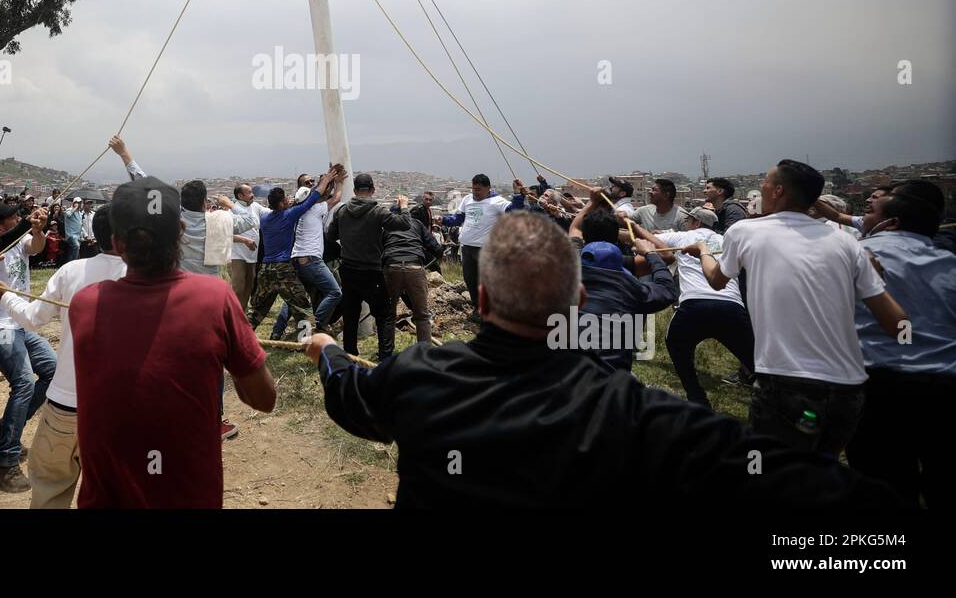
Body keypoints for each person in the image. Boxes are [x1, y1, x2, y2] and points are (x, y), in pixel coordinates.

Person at [302, 211, 898, 507]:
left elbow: (351, 399)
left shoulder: (417, 376)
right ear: (579, 296)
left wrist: (328, 351)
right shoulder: (640, 416)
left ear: (481, 298)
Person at [68, 176, 276, 508]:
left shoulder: (84, 304)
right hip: (190, 496)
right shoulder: (215, 298)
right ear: (179, 231)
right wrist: (234, 348)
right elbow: (263, 399)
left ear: (117, 244)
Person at [696, 159, 907, 456]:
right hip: (848, 390)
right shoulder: (847, 244)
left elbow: (717, 281)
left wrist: (703, 252)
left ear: (778, 191)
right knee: (822, 475)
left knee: (768, 474)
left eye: (765, 183)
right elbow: (899, 327)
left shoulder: (745, 231)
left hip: (786, 384)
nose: (761, 188)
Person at [0, 206, 126, 508]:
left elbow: (33, 319)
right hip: (116, 408)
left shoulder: (71, 271)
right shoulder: (145, 277)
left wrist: (5, 295)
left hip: (67, 403)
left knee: (50, 489)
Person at [845, 190, 956, 507]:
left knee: (884, 489)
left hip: (879, 387)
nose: (863, 218)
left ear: (891, 222)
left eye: (870, 213)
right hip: (946, 388)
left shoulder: (855, 254)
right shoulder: (949, 262)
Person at [631, 208, 754, 409]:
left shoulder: (686, 236)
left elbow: (653, 240)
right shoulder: (727, 241)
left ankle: (696, 396)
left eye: (688, 220)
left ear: (696, 222)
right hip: (731, 306)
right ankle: (775, 394)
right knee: (752, 357)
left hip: (695, 304)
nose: (686, 223)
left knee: (676, 345)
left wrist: (632, 225)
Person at [0, 203, 57, 492]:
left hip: (19, 325)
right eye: (15, 219)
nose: (20, 221)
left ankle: (5, 429)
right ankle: (6, 461)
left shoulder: (19, 241)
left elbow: (36, 246)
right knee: (23, 383)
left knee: (53, 371)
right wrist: (29, 225)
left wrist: (38, 228)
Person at [566, 197, 677, 371]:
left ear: (585, 238)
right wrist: (637, 232)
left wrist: (592, 201)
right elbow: (668, 258)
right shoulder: (630, 286)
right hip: (611, 373)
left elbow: (574, 228)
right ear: (616, 237)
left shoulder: (572, 261)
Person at [246, 165, 346, 341]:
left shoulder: (266, 218)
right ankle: (305, 341)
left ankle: (239, 338)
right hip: (284, 269)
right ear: (282, 203)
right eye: (286, 199)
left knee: (257, 310)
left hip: (265, 270)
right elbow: (314, 197)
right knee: (302, 307)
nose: (289, 200)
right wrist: (328, 179)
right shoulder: (290, 215)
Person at [324, 173, 412, 362]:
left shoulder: (342, 211)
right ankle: (385, 357)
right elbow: (404, 224)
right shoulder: (379, 212)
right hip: (372, 272)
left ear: (355, 191)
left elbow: (330, 235)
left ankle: (350, 355)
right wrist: (404, 207)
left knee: (350, 315)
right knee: (384, 315)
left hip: (348, 270)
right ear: (372, 190)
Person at [271, 174, 344, 341]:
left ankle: (277, 331)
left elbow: (324, 196)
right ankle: (315, 326)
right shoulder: (315, 210)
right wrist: (339, 184)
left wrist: (329, 182)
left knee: (294, 299)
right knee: (334, 292)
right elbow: (335, 199)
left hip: (297, 259)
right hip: (311, 260)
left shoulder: (294, 212)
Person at [438, 174, 527, 308]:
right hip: (467, 248)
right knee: (470, 280)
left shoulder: (497, 201)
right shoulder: (467, 199)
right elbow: (458, 219)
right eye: (473, 189)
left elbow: (515, 212)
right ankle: (477, 308)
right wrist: (443, 220)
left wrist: (518, 194)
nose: (475, 192)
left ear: (488, 188)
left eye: (479, 189)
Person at [381, 198, 441, 342]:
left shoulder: (386, 227)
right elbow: (436, 248)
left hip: (392, 268)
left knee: (388, 315)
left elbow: (378, 249)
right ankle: (424, 352)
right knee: (422, 315)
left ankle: (385, 354)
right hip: (414, 268)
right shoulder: (417, 224)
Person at [228, 183, 266, 310]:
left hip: (252, 256)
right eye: (249, 192)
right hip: (237, 255)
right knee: (238, 287)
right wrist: (244, 241)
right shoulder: (232, 210)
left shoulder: (255, 206)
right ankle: (228, 313)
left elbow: (268, 213)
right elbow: (227, 234)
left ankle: (240, 315)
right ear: (240, 195)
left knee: (248, 288)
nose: (252, 195)